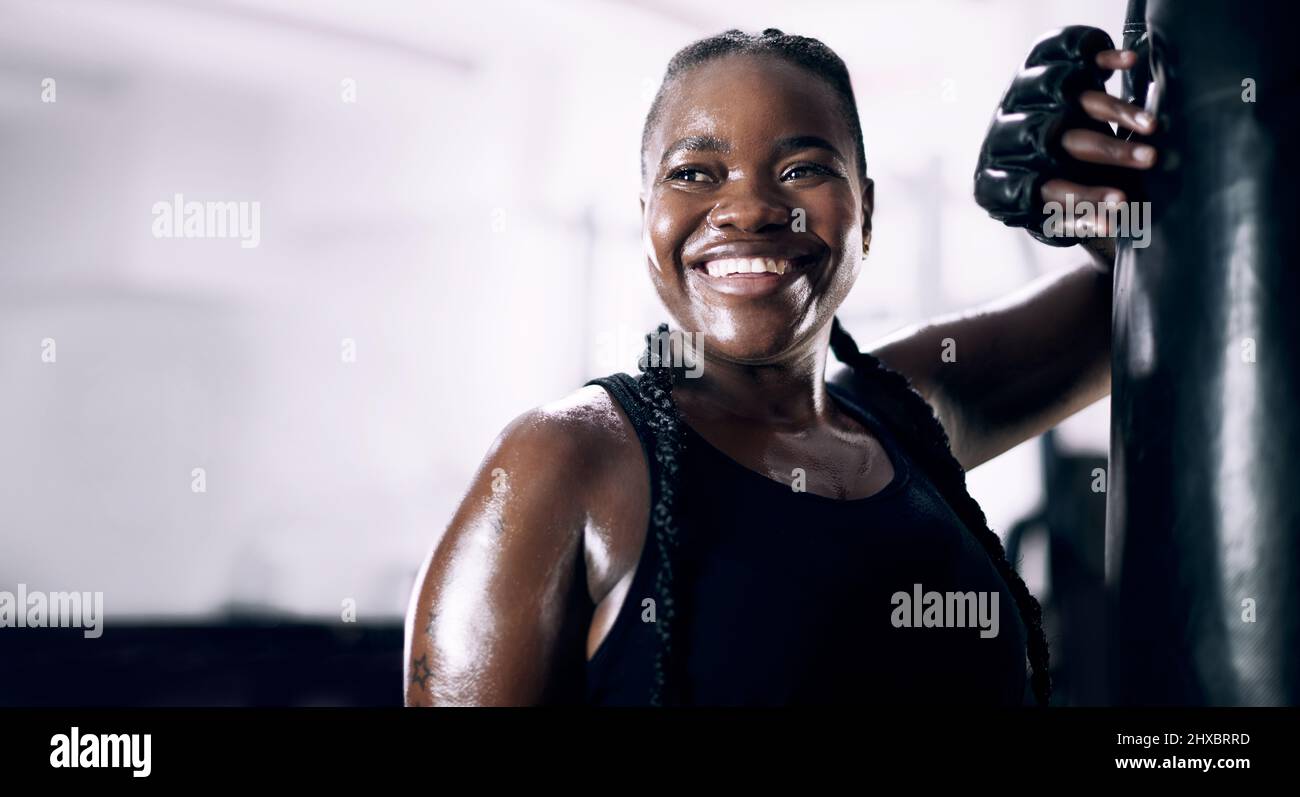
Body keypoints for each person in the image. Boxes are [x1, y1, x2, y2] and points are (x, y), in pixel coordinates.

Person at [405, 26, 1157, 706]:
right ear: (646, 216)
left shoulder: (913, 414)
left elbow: (1137, 310)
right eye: (696, 172)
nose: (751, 207)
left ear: (865, 210)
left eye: (801, 169)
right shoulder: (566, 457)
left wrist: (1083, 188)